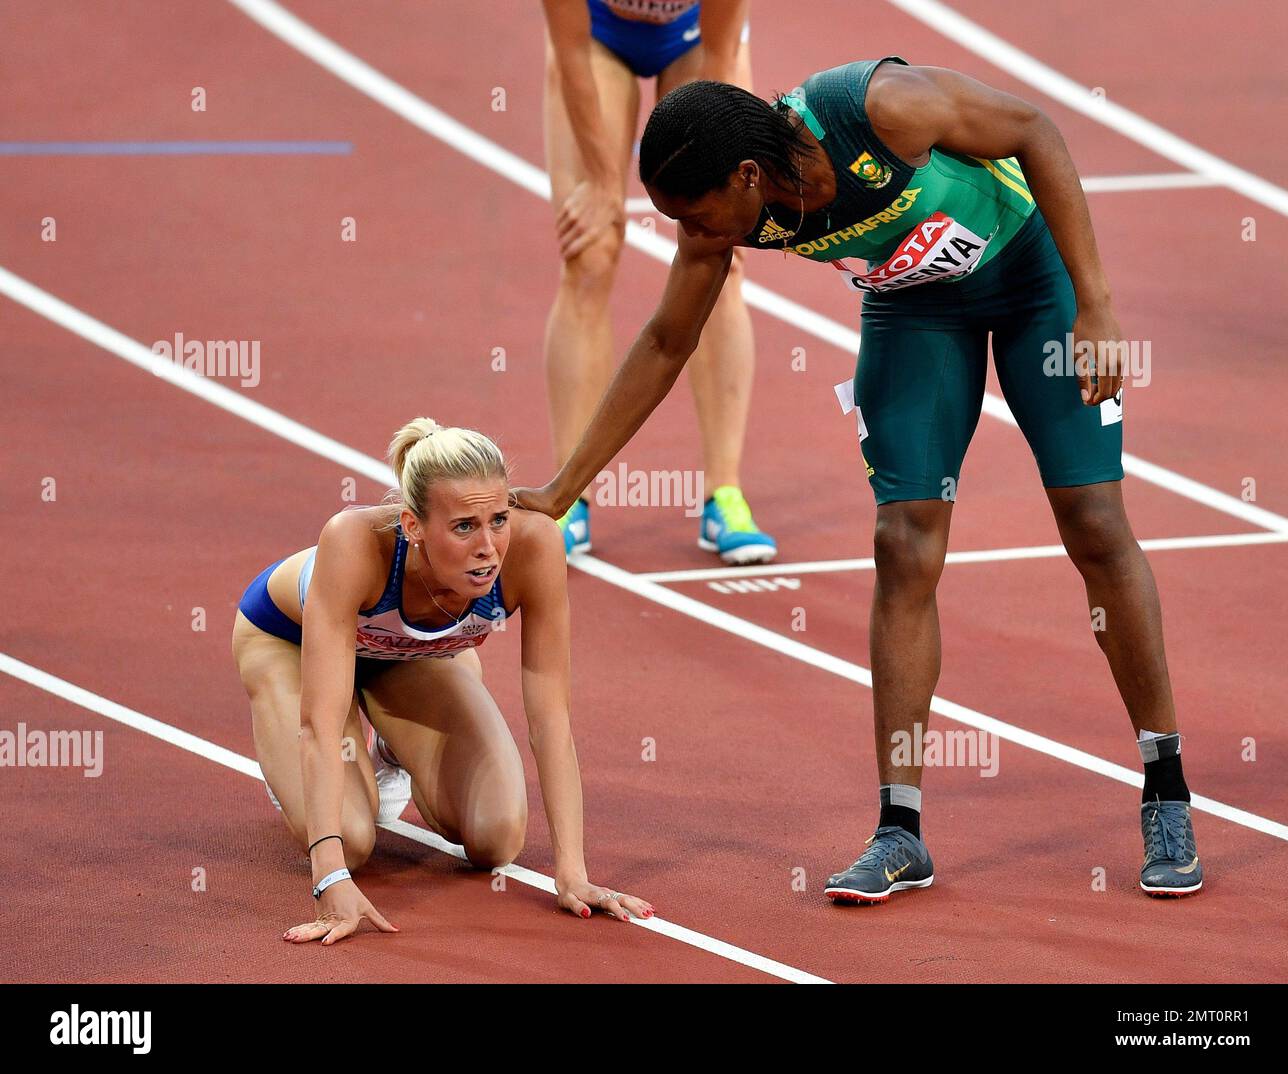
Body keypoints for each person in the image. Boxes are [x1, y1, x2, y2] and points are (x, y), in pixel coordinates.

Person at [515, 59, 1202, 903]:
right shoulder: (716, 222)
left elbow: (1034, 130)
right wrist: (561, 489)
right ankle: (901, 830)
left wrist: (1094, 302)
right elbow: (665, 344)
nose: (689, 232)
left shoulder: (880, 108)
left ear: (748, 176)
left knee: (1094, 522)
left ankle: (1166, 790)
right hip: (916, 310)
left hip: (1034, 285)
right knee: (902, 542)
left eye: (693, 213)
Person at [232, 418, 654, 944]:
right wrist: (330, 877)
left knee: (495, 839)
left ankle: (392, 746)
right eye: (463, 527)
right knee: (354, 840)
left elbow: (550, 717)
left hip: (411, 656)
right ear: (412, 526)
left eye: (498, 519)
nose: (489, 547)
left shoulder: (535, 546)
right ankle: (295, 771)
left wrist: (572, 871)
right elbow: (319, 724)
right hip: (292, 646)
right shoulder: (354, 541)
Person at [541, 0, 776, 564]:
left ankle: (725, 495)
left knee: (720, 255)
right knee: (589, 255)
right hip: (597, 39)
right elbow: (571, 49)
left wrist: (722, 191)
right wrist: (602, 183)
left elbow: (719, 52)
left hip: (698, 43)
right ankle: (569, 502)